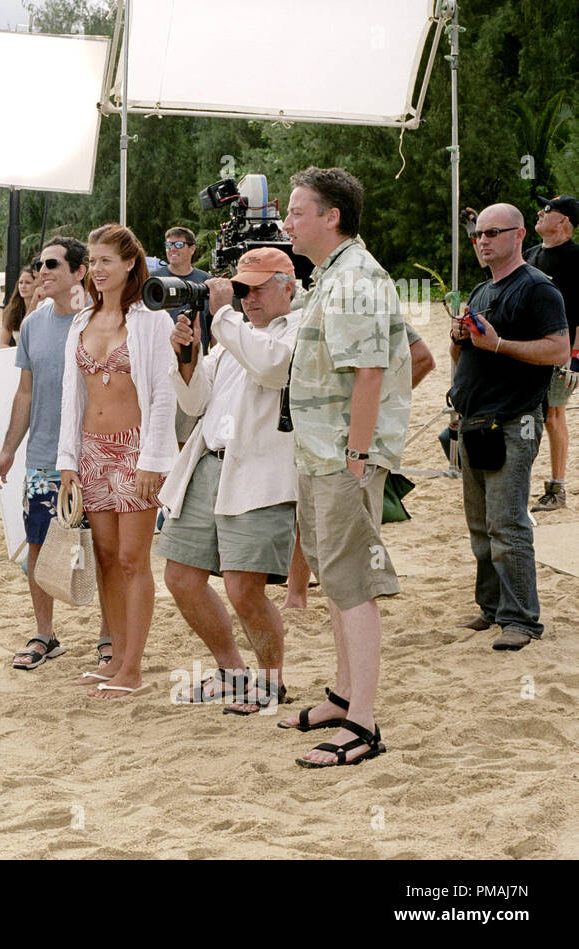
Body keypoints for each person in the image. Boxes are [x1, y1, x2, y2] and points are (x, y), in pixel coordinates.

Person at [279, 167, 411, 767]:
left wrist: (358, 458)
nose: (287, 221)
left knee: (353, 584)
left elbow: (370, 373)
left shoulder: (355, 278)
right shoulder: (332, 275)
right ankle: (343, 693)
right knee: (335, 576)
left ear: (331, 216)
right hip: (321, 451)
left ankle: (363, 724)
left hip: (340, 455)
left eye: (297, 210)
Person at [158, 248, 299, 714]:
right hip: (207, 464)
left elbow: (272, 367)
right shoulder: (234, 339)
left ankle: (271, 683)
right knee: (180, 577)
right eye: (242, 288)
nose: (249, 297)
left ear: (288, 287)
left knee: (243, 588)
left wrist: (221, 313)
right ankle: (232, 672)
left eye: (257, 287)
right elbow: (196, 403)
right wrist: (187, 357)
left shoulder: (296, 331)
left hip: (259, 474)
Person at [57, 223, 176, 699]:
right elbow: (72, 395)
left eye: (108, 259)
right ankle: (115, 658)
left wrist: (153, 459)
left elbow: (164, 396)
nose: (98, 269)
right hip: (91, 451)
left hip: (135, 451)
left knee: (132, 559)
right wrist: (68, 459)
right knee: (105, 558)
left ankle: (133, 666)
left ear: (130, 263)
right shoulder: (80, 321)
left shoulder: (152, 321)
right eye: (94, 260)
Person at [0, 237, 112, 671]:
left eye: (54, 263)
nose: (43, 270)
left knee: (104, 548)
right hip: (42, 456)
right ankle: (45, 634)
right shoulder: (35, 325)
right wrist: (6, 452)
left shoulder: (101, 321)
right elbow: (25, 393)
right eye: (40, 263)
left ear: (80, 271)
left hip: (95, 455)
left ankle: (109, 636)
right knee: (38, 545)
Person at [449, 203, 569, 651]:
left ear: (519, 235)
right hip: (474, 420)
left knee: (507, 524)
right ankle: (493, 608)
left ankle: (521, 620)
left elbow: (558, 350)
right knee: (481, 526)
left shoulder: (539, 289)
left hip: (514, 420)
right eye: (478, 234)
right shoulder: (481, 291)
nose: (482, 240)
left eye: (492, 233)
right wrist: (461, 341)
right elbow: (467, 360)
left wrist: (498, 343)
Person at [281, 321, 434, 610]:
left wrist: (372, 412)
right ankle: (297, 592)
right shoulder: (316, 302)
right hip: (316, 432)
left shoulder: (362, 301)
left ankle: (303, 594)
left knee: (349, 534)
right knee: (309, 510)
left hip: (351, 443)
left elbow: (422, 358)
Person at [524, 194, 579, 511]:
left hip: (562, 351)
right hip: (531, 350)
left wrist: (575, 358)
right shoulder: (531, 254)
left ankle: (557, 489)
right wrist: (475, 231)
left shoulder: (576, 258)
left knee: (554, 416)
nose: (540, 213)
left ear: (564, 222)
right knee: (529, 415)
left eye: (548, 210)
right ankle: (525, 482)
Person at [149, 227, 213, 446]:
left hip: (190, 366)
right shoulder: (153, 281)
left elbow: (213, 329)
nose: (172, 250)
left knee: (184, 437)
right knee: (156, 433)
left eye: (178, 245)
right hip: (157, 366)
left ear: (192, 249)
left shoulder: (205, 282)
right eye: (168, 245)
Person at [0, 261, 41, 347]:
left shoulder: (44, 308)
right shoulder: (12, 310)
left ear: (37, 284)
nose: (23, 286)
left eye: (28, 283)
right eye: (20, 282)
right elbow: (2, 344)